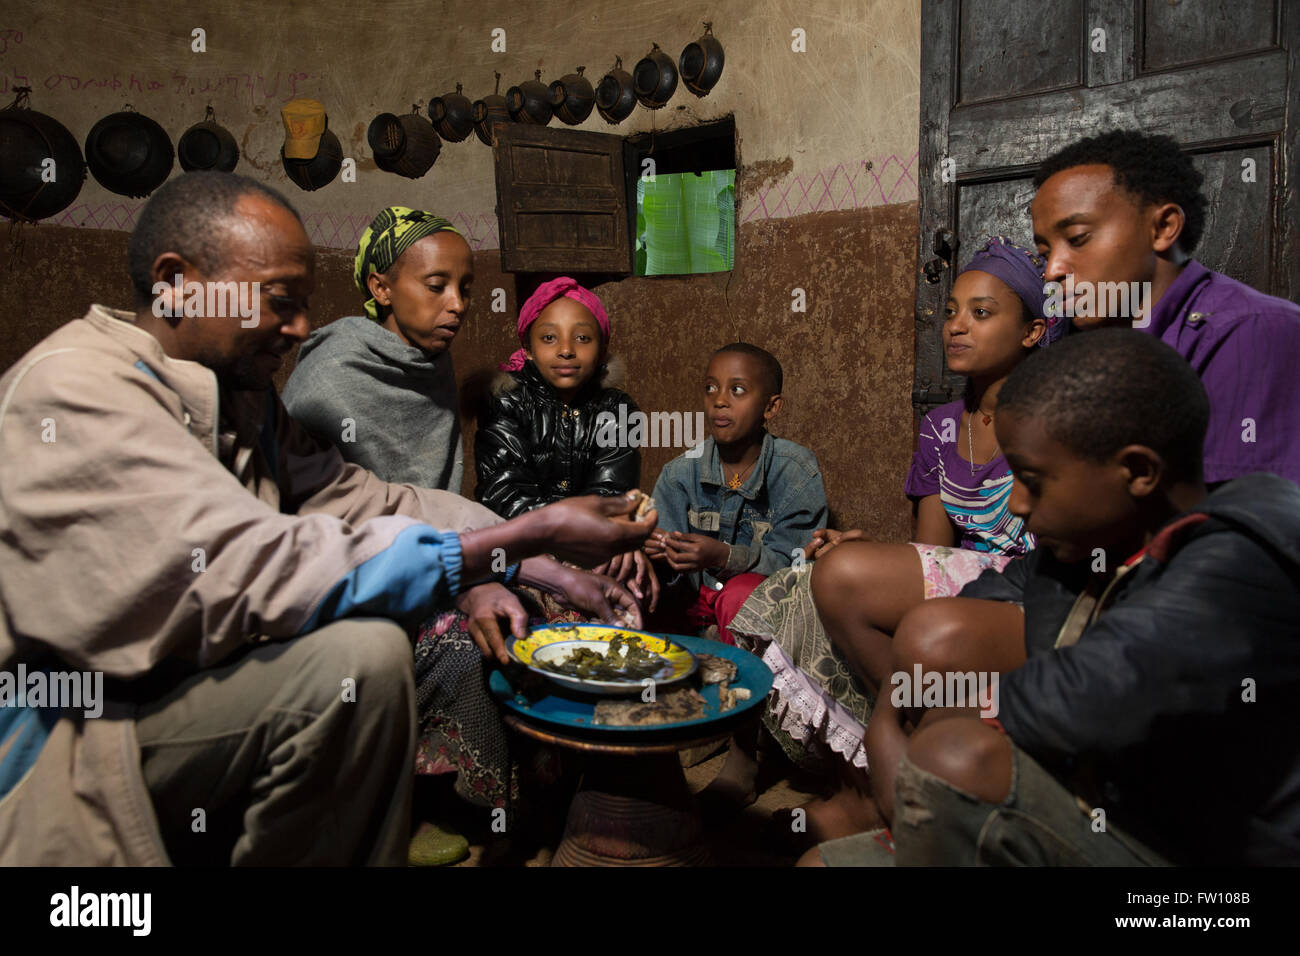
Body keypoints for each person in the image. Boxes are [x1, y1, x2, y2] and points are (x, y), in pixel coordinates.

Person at [0, 171, 654, 866]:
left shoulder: (241, 401)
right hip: (81, 734)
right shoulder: (75, 389)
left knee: (413, 645)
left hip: (186, 691)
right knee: (360, 661)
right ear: (176, 281)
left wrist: (528, 554)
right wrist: (516, 539)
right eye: (280, 301)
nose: (304, 327)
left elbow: (367, 497)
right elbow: (249, 566)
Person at [813, 330, 1300, 866]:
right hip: (1106, 799)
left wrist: (910, 730)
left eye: (1033, 480)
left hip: (1201, 851)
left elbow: (1088, 695)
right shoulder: (1089, 545)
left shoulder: (1238, 559)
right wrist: (890, 714)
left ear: (1138, 472)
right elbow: (972, 605)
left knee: (948, 758)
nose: (1018, 503)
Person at [721, 239, 1058, 841]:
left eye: (981, 313)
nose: (955, 326)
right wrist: (863, 545)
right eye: (951, 311)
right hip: (967, 579)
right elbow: (932, 551)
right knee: (810, 576)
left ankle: (899, 771)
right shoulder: (940, 427)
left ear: (1033, 331)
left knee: (844, 576)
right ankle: (869, 779)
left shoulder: (1055, 419)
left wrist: (864, 566)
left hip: (1032, 592)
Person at [1031, 128, 1300, 485]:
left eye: (1077, 239)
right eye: (1045, 253)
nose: (1053, 271)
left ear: (1163, 227)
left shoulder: (1251, 331)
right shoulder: (1088, 339)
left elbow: (1238, 525)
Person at [475, 275, 657, 607]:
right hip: (518, 543)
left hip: (591, 543)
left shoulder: (618, 409)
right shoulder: (506, 401)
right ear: (528, 349)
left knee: (631, 577)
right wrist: (568, 544)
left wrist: (608, 541)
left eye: (583, 338)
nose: (566, 350)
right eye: (548, 338)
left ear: (602, 351)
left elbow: (613, 492)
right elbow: (504, 493)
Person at [282, 206, 470, 492]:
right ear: (382, 289)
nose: (457, 304)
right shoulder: (332, 371)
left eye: (465, 289)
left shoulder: (434, 366)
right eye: (436, 286)